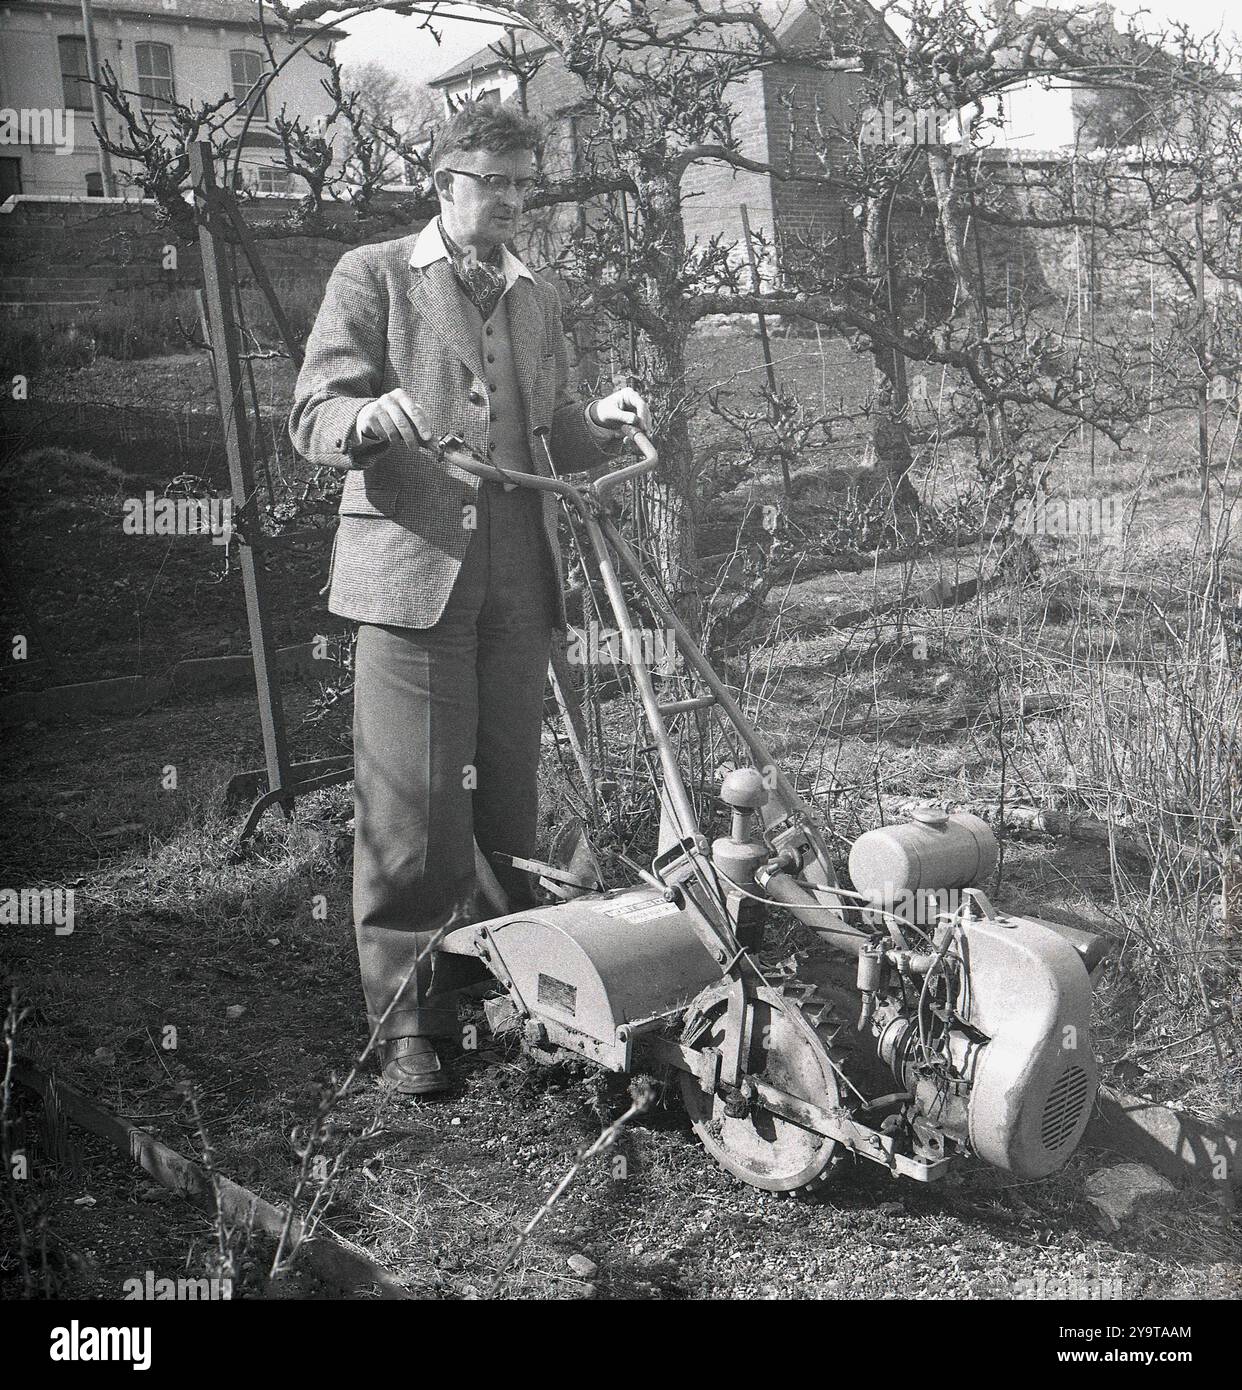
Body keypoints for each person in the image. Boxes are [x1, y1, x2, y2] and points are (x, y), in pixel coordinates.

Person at [289, 101, 651, 1094]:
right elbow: (314, 410)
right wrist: (369, 415)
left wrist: (603, 422)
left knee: (507, 794)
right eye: (493, 182)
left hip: (519, 576)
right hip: (412, 569)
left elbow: (553, 432)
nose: (511, 201)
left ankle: (513, 987)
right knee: (412, 804)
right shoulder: (373, 276)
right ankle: (409, 1018)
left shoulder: (536, 297)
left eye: (524, 184)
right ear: (442, 182)